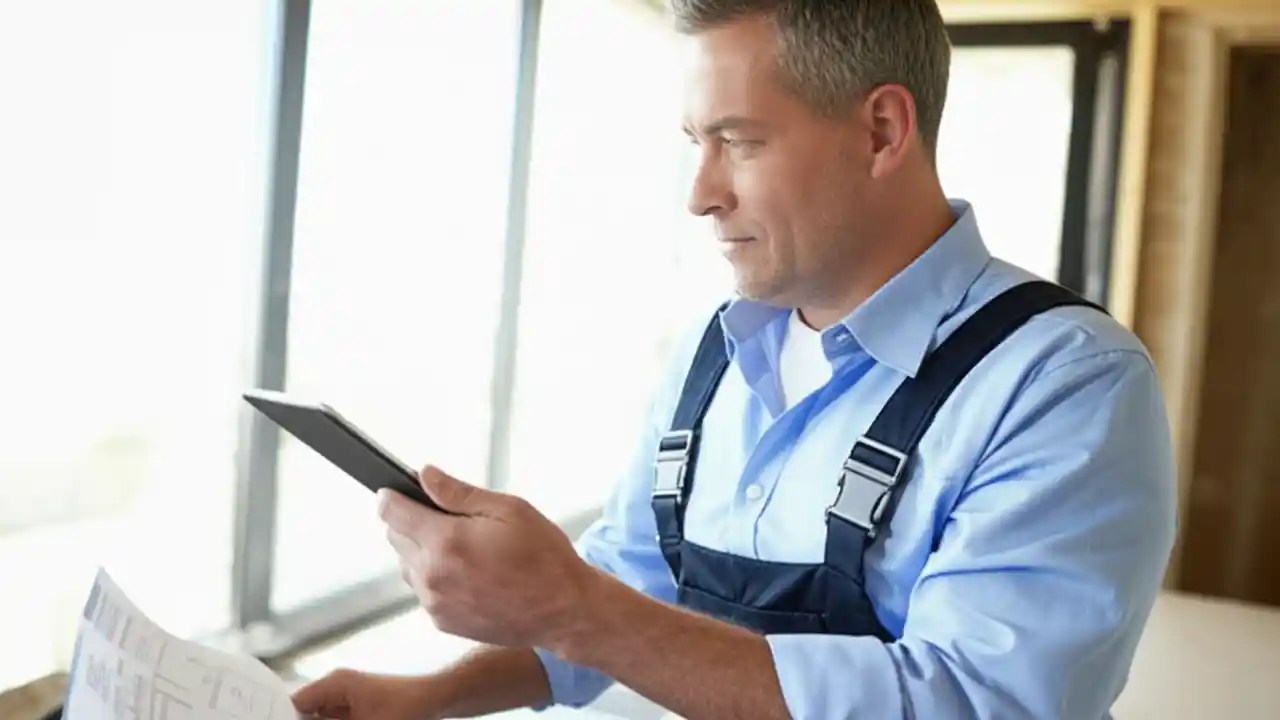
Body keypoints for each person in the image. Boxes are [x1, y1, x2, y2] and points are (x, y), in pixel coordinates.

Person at [291, 1, 1177, 718]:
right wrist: (430, 699)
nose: (700, 194)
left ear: (880, 131)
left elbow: (972, 706)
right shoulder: (711, 350)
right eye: (695, 143)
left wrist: (571, 604)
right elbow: (637, 580)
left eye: (741, 142)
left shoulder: (1063, 384)